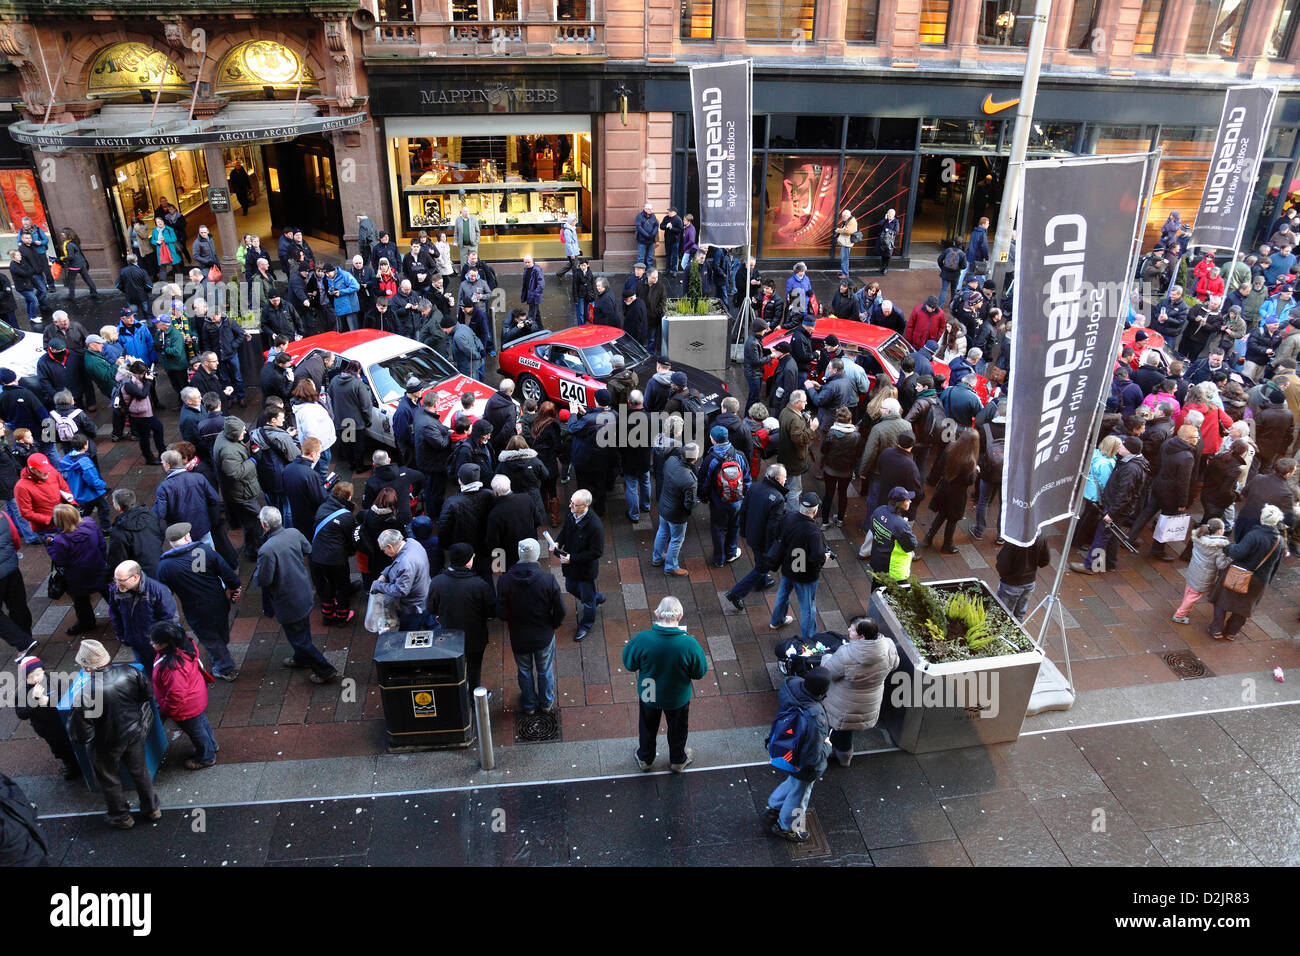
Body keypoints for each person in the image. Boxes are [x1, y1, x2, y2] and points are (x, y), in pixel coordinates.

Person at [66, 639, 161, 829]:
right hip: (134, 732)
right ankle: (152, 808)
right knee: (140, 772)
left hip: (105, 743)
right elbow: (146, 694)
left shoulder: (86, 693)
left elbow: (81, 733)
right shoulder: (130, 672)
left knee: (109, 779)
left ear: (87, 666)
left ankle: (121, 817)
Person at [624, 596, 708, 773]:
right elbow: (699, 672)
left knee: (647, 725)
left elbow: (629, 663)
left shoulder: (643, 639)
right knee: (678, 728)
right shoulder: (689, 644)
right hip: (677, 693)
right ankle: (678, 760)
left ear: (657, 614)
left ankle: (646, 758)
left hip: (649, 689)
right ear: (680, 616)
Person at [256, 506, 337, 683]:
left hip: (287, 600)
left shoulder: (267, 549)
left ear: (264, 524)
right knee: (302, 630)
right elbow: (308, 549)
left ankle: (324, 669)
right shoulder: (293, 532)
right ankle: (301, 658)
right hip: (303, 591)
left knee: (299, 638)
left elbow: (264, 579)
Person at [156, 522, 240, 680]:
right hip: (218, 601)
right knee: (220, 627)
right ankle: (221, 647)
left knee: (209, 637)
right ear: (187, 537)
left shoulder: (165, 566)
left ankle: (225, 667)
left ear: (171, 543)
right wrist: (235, 587)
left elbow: (165, 594)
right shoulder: (203, 550)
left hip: (195, 609)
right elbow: (226, 572)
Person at [763, 666, 831, 842]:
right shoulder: (815, 717)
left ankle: (775, 804)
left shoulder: (790, 686)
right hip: (803, 764)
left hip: (786, 750)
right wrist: (828, 746)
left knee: (793, 781)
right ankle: (787, 826)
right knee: (801, 794)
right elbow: (812, 757)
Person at [821, 616, 898, 767]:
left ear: (862, 636)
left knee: (839, 729)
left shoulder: (846, 654)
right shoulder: (888, 646)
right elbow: (894, 665)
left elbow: (828, 672)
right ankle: (844, 758)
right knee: (847, 730)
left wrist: (826, 657)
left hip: (843, 703)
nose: (849, 630)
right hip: (870, 701)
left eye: (852, 629)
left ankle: (832, 754)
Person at [1208, 504, 1286, 640]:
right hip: (1260, 580)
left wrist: (1228, 547)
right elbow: (1275, 564)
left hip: (1240, 573)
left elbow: (1238, 553)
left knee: (1221, 600)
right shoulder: (1280, 541)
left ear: (1262, 518)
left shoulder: (1254, 535)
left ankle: (1216, 629)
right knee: (1244, 608)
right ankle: (1232, 632)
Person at [426, 540, 496, 691]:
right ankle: (474, 694)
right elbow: (491, 611)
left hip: (448, 634)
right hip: (475, 637)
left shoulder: (437, 582)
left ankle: (456, 694)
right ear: (467, 561)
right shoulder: (480, 585)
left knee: (453, 665)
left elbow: (431, 608)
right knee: (474, 666)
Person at [147, 621, 217, 770]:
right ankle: (211, 745)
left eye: (155, 642)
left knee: (196, 731)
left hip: (185, 706)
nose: (151, 643)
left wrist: (168, 708)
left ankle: (206, 757)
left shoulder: (172, 668)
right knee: (201, 723)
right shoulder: (185, 647)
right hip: (195, 697)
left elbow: (176, 694)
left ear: (165, 644)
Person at [767, 491, 829, 640]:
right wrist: (825, 557)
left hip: (788, 566)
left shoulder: (788, 517)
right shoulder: (813, 531)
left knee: (783, 593)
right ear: (815, 511)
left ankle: (777, 620)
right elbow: (817, 557)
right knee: (808, 607)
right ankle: (809, 637)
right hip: (804, 574)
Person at [46, 503, 111, 636]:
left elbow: (61, 560)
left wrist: (50, 546)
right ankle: (122, 615)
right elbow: (102, 544)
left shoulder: (60, 540)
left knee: (81, 601)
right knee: (108, 593)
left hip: (77, 576)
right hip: (97, 567)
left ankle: (87, 623)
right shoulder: (91, 524)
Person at [15, 654, 79, 780]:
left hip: (62, 720)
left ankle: (81, 759)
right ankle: (70, 763)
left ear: (43, 671)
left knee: (73, 740)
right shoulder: (22, 693)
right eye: (30, 677)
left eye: (38, 674)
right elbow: (21, 714)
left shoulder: (55, 681)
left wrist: (49, 700)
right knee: (58, 746)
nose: (35, 679)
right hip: (46, 727)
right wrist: (34, 701)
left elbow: (68, 697)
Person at [553, 488, 604, 643]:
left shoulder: (595, 525)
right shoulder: (572, 514)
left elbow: (596, 552)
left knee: (587, 601)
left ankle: (586, 624)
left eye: (574, 505)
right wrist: (558, 542)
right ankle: (596, 598)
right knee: (570, 587)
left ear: (585, 506)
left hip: (584, 569)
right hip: (571, 564)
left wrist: (572, 558)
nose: (570, 507)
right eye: (571, 503)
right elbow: (565, 531)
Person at [698, 423, 750, 566]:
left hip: (718, 501)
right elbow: (747, 478)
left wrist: (703, 497)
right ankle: (731, 552)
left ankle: (719, 559)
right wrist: (743, 494)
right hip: (736, 500)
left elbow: (705, 481)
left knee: (718, 528)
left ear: (714, 440)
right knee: (734, 526)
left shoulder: (711, 459)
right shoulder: (739, 455)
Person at [213, 416, 265, 559]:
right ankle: (254, 551)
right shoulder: (229, 451)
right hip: (243, 493)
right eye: (242, 431)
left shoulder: (223, 437)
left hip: (237, 491)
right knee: (255, 522)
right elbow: (235, 473)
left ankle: (251, 549)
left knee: (249, 522)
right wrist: (253, 460)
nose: (244, 433)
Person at [923, 426, 979, 554]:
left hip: (945, 487)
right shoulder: (969, 460)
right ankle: (947, 544)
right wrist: (976, 471)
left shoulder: (950, 447)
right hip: (958, 494)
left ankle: (929, 537)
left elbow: (939, 465)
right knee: (952, 519)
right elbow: (969, 481)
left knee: (941, 514)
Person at [1172, 518, 1233, 625]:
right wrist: (1230, 558)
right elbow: (1221, 564)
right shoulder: (1218, 548)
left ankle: (1185, 608)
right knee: (1193, 596)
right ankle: (1179, 615)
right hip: (1204, 576)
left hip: (1194, 570)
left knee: (1189, 590)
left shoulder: (1199, 539)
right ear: (1219, 531)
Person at [371, 528, 433, 630]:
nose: (384, 552)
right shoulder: (412, 543)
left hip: (414, 607)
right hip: (424, 594)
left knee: (408, 631)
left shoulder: (406, 563)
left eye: (383, 550)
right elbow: (396, 565)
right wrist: (385, 574)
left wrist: (378, 585)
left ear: (390, 547)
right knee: (430, 622)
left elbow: (400, 590)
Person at [653, 442, 699, 577]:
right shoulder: (690, 480)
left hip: (664, 505)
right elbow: (689, 504)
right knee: (676, 539)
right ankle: (671, 566)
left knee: (662, 531)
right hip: (677, 514)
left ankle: (657, 557)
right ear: (695, 459)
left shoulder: (671, 461)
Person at [106, 487, 166, 578]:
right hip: (159, 561)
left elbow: (118, 558)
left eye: (114, 502)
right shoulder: (150, 514)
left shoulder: (118, 532)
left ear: (118, 507)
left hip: (142, 572)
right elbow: (161, 533)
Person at [866, 486, 919, 580]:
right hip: (893, 569)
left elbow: (873, 529)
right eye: (907, 500)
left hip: (877, 560)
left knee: (876, 589)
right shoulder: (900, 524)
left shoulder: (879, 510)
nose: (910, 501)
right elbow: (911, 545)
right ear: (900, 503)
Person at [995, 538, 1052, 622]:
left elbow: (1002, 565)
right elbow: (1044, 561)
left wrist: (1004, 575)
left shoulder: (1013, 538)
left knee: (1003, 615)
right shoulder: (1040, 537)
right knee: (1019, 615)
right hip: (1029, 582)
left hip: (1011, 583)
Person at [777, 389, 816, 510]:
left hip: (785, 456)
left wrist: (803, 418)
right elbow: (799, 439)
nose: (805, 404)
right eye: (804, 402)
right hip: (794, 460)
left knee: (786, 484)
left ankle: (784, 506)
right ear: (796, 402)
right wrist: (812, 429)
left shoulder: (785, 411)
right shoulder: (795, 419)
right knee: (795, 490)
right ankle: (792, 514)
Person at [876, 208, 900, 275]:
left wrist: (888, 231)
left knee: (888, 255)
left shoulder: (896, 221)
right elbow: (879, 225)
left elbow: (897, 232)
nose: (888, 215)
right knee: (883, 254)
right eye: (888, 214)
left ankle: (886, 268)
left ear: (893, 215)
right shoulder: (886, 220)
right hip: (883, 240)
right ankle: (882, 267)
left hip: (889, 241)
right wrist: (885, 219)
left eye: (889, 215)